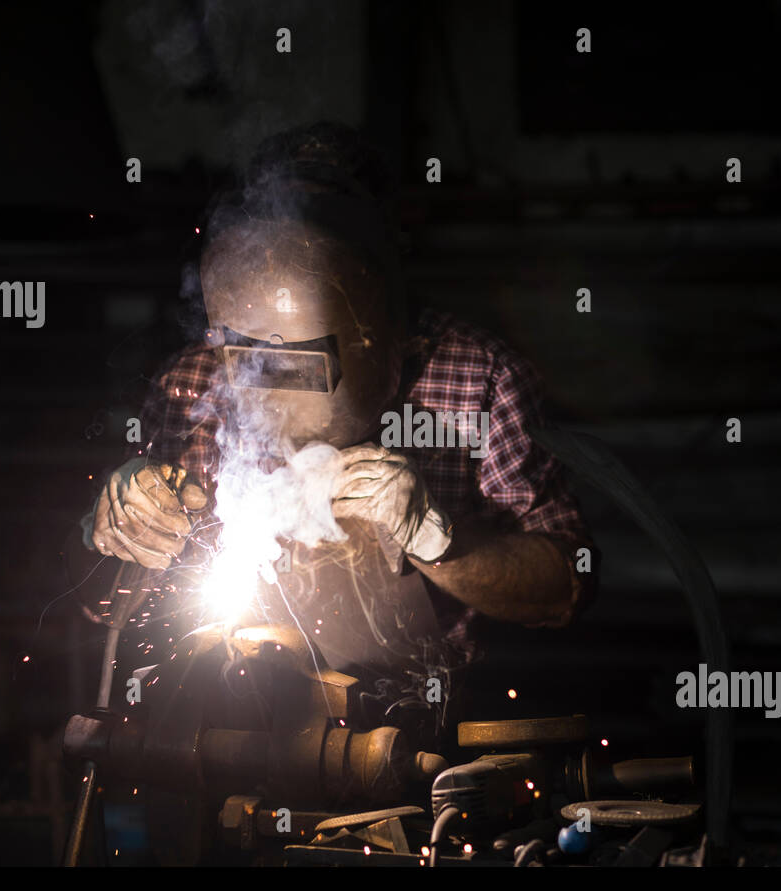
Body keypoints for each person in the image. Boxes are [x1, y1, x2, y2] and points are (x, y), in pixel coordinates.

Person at [83, 122, 596, 740]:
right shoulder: (192, 384)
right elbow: (98, 601)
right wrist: (110, 527)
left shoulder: (476, 378)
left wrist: (437, 544)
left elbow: (566, 586)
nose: (271, 386)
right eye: (246, 356)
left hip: (430, 739)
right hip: (237, 734)